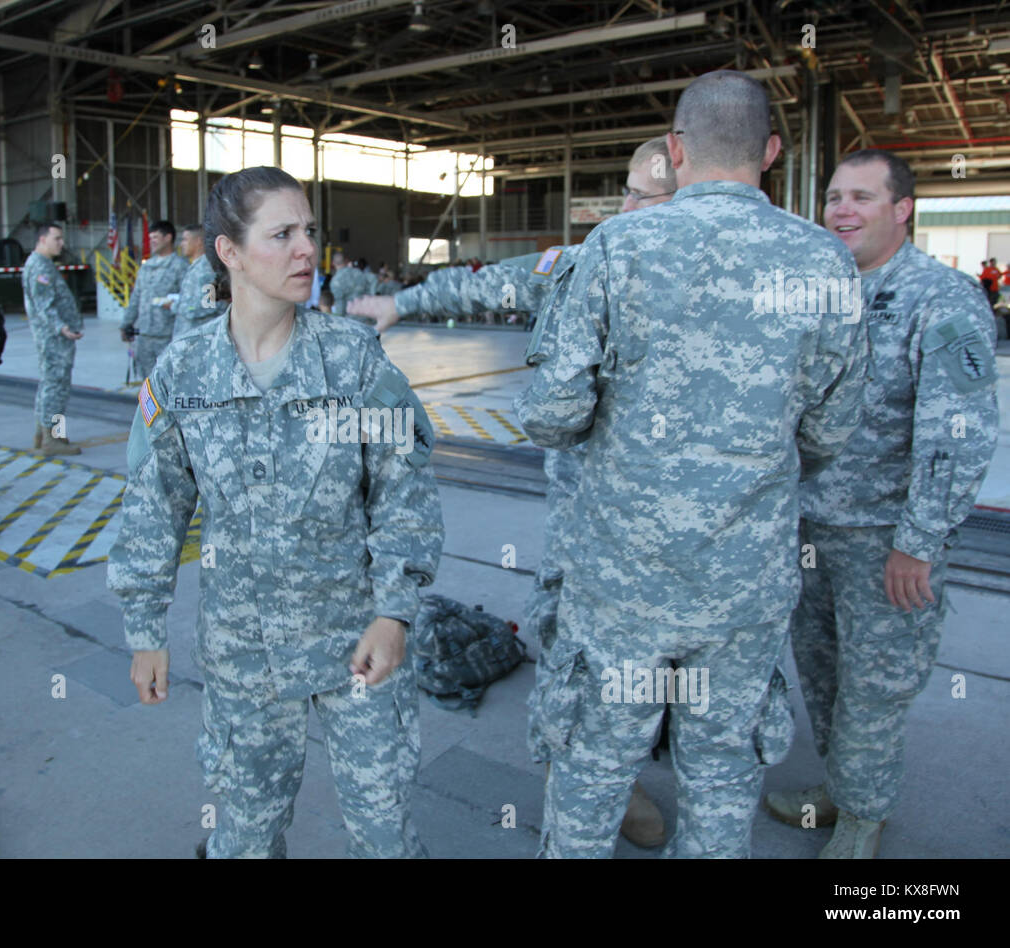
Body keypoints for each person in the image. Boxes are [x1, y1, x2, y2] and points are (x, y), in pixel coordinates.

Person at [515, 70, 869, 858]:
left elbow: (552, 415)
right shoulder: (824, 262)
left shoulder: (616, 247)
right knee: (720, 774)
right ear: (771, 152)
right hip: (744, 586)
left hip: (622, 586)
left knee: (594, 767)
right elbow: (831, 430)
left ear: (675, 151)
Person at [349, 136, 679, 849]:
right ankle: (599, 794)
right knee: (569, 652)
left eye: (641, 195)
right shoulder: (587, 265)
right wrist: (404, 302)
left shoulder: (732, 279)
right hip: (586, 525)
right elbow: (497, 280)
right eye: (625, 191)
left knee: (662, 672)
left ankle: (628, 776)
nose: (623, 207)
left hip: (682, 534)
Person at [107, 166, 443, 858]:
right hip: (244, 655)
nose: (304, 251)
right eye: (282, 234)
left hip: (357, 643)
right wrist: (145, 627)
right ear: (228, 252)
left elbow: (404, 488)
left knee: (385, 836)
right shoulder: (184, 371)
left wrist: (394, 609)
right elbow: (153, 506)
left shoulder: (353, 360)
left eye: (309, 232)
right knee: (246, 836)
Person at [765, 149, 999, 858]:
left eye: (862, 197)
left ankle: (864, 820)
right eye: (835, 196)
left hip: (885, 541)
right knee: (826, 675)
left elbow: (958, 432)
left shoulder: (944, 297)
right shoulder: (818, 294)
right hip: (809, 529)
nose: (841, 210)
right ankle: (843, 789)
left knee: (875, 689)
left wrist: (919, 539)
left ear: (902, 210)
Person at [22, 223, 84, 456]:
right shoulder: (40, 267)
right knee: (56, 388)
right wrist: (63, 328)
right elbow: (44, 306)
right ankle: (53, 437)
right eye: (56, 238)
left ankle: (44, 434)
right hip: (54, 339)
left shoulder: (42, 264)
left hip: (53, 338)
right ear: (42, 239)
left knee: (49, 386)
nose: (62, 243)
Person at [121, 220, 188, 379]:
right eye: (150, 238)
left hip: (167, 336)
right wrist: (126, 324)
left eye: (155, 238)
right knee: (147, 385)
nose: (151, 242)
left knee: (168, 384)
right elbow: (136, 297)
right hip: (144, 336)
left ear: (168, 238)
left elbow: (188, 300)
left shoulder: (180, 267)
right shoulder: (146, 267)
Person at [170, 224, 222, 340]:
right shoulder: (196, 267)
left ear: (198, 241)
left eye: (185, 240)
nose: (181, 244)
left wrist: (177, 306)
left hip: (200, 340)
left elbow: (210, 305)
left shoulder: (207, 269)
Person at [326, 249, 368, 319]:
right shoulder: (359, 273)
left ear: (333, 263)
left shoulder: (335, 281)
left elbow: (340, 307)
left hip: (351, 320)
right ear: (346, 261)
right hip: (367, 316)